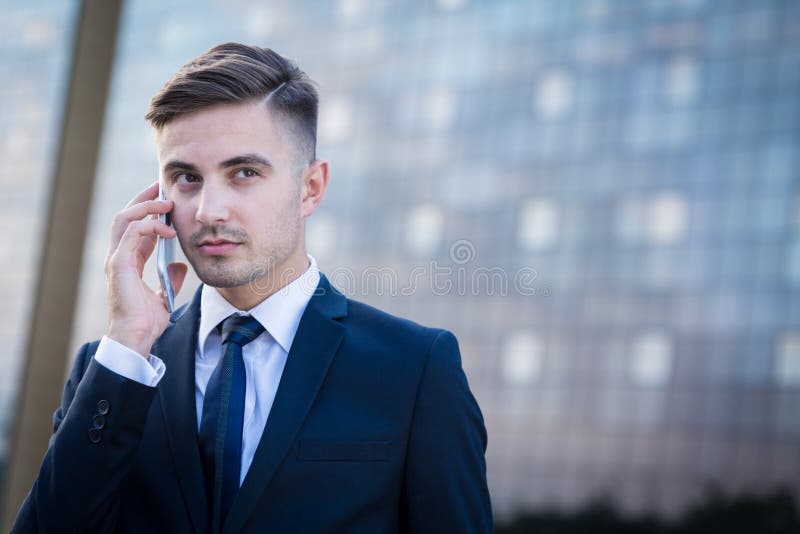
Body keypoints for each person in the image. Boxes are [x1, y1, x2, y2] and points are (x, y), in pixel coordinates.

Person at [12, 43, 491, 533]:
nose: (208, 210)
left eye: (244, 173)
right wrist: (129, 341)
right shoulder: (114, 369)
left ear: (311, 188)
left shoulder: (416, 369)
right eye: (185, 177)